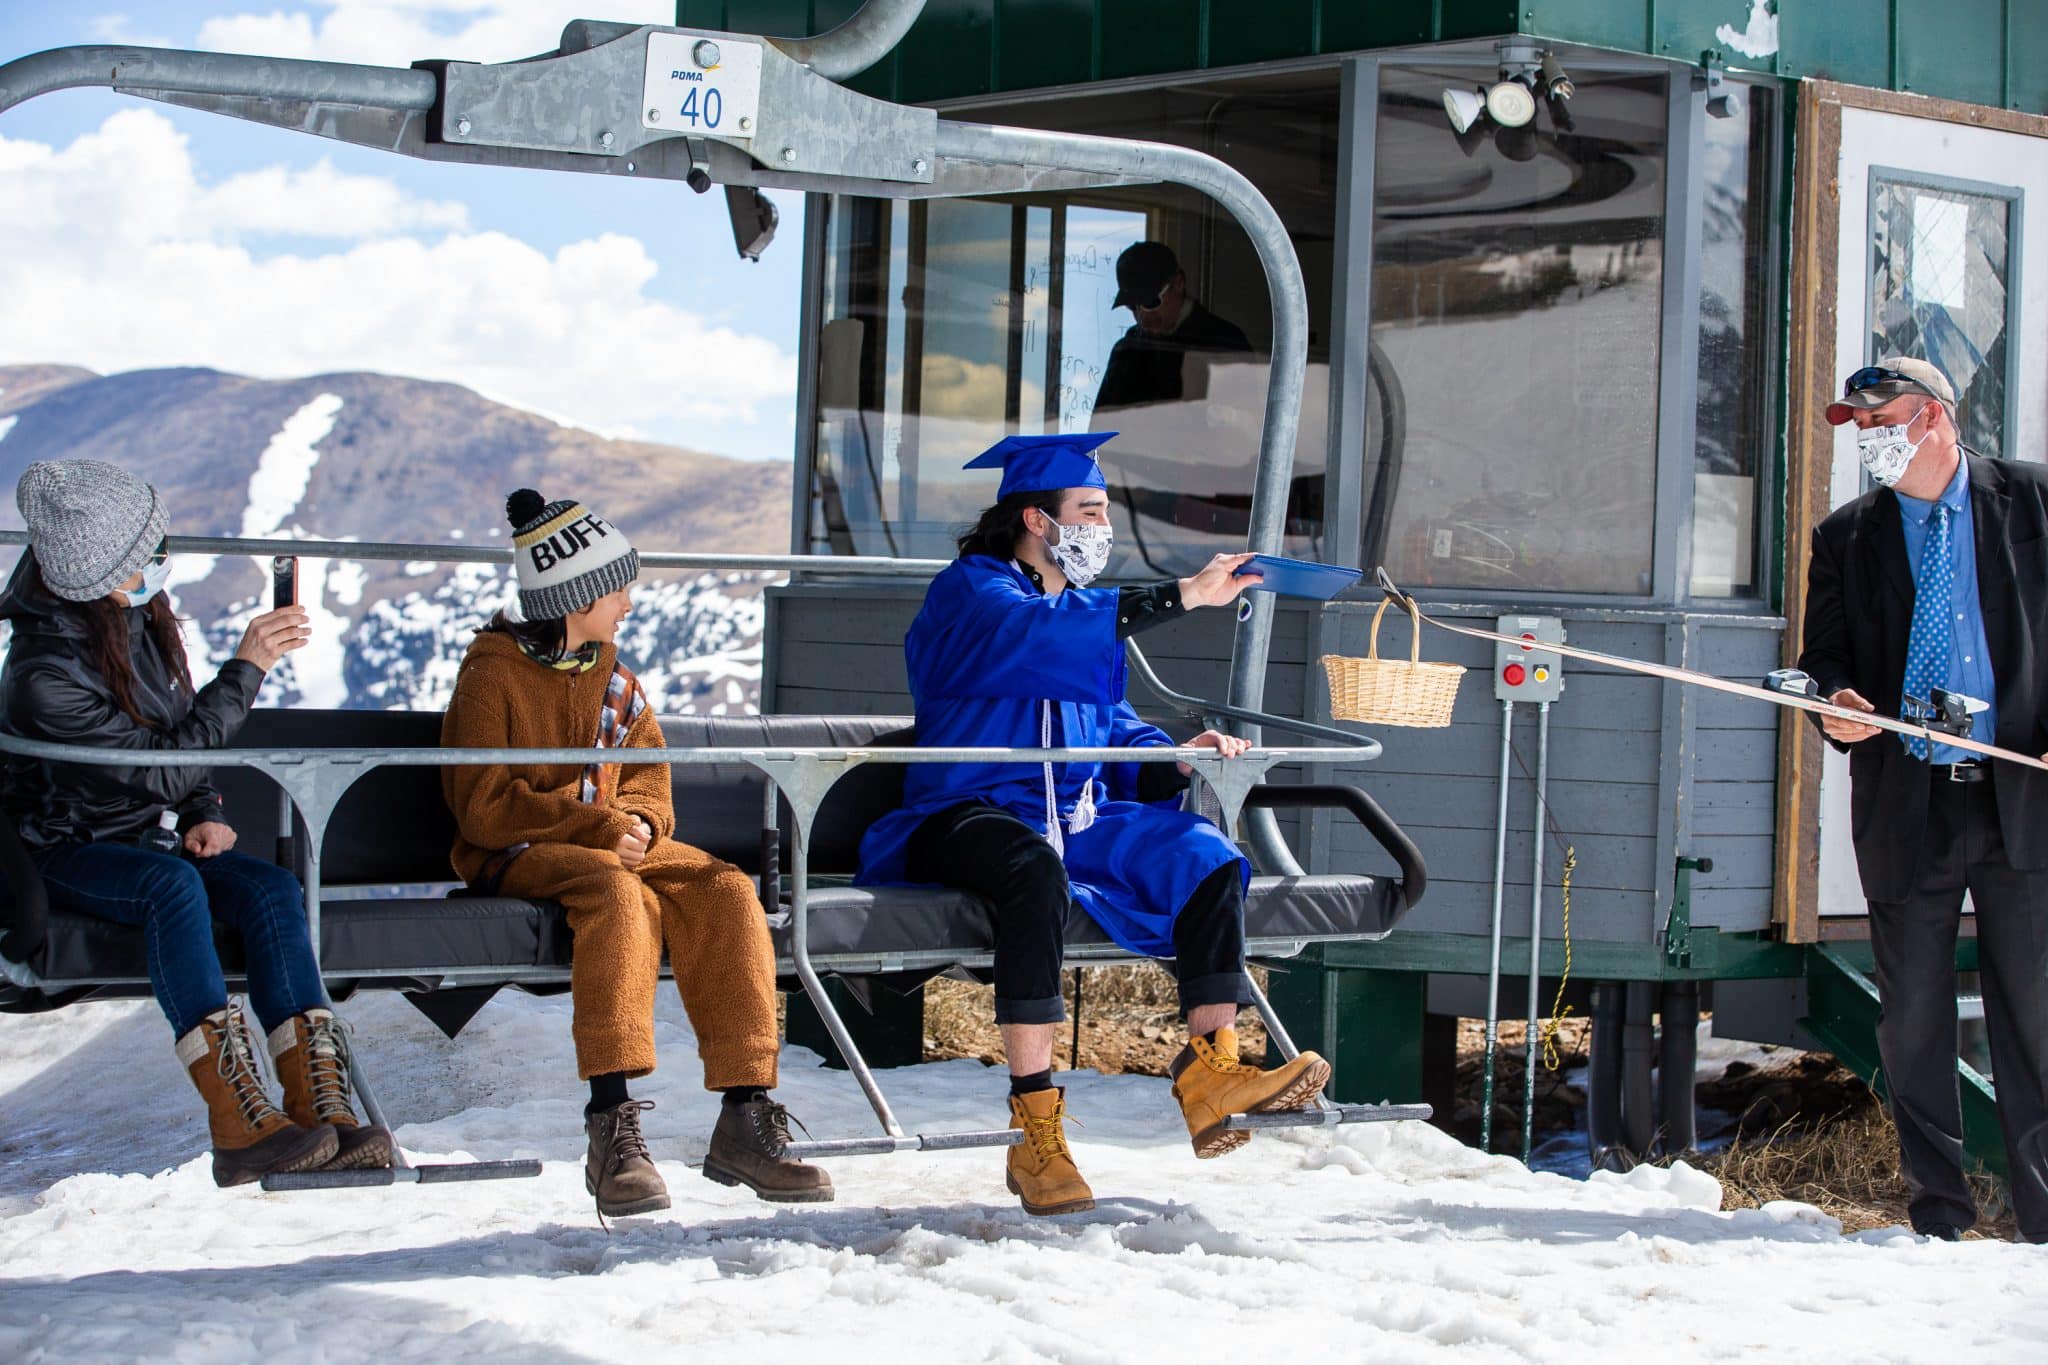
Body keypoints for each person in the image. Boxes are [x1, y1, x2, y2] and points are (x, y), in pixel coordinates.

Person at [856, 432, 1329, 1217]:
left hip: (1073, 817)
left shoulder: (1075, 613)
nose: (1100, 530)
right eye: (1089, 512)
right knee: (1029, 867)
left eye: (1104, 513)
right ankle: (1035, 1126)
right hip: (964, 813)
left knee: (1203, 852)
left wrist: (1177, 756)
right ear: (1037, 520)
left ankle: (1214, 1067)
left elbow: (1111, 724)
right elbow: (1039, 642)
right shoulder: (971, 594)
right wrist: (1177, 595)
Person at [440, 488, 831, 1219]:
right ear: (576, 594)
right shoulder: (490, 675)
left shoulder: (614, 677)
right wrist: (597, 828)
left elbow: (651, 779)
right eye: (616, 587)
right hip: (518, 849)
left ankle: (745, 1111)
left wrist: (643, 827)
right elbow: (482, 805)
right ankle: (611, 1124)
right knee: (618, 894)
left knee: (722, 886)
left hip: (607, 842)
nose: (626, 601)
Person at [0, 460, 391, 1186]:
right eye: (145, 553)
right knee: (171, 886)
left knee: (269, 890)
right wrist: (248, 668)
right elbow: (159, 766)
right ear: (102, 568)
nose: (159, 563)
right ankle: (237, 1122)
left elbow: (174, 735)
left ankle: (319, 1102)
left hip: (140, 833)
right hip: (60, 849)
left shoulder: (128, 619)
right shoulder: (41, 674)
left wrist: (205, 808)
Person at [1797, 356, 2048, 1243]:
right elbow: (1821, 664)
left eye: (1882, 416)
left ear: (1937, 414)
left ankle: (2042, 1216)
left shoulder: (2033, 501)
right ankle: (1938, 1213)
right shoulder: (1847, 536)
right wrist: (1841, 706)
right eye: (1856, 425)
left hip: (2021, 799)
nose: (1869, 435)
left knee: (2035, 1008)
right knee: (1911, 1017)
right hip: (1908, 803)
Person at [1092, 241, 1253, 416]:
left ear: (1178, 283)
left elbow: (1246, 426)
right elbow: (1102, 428)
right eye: (1132, 306)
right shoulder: (1127, 350)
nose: (1142, 318)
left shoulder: (1224, 342)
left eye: (1150, 303)